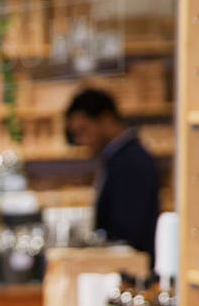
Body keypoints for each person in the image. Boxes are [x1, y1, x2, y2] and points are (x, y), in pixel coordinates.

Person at [65, 88, 160, 256]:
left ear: (106, 119)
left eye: (83, 130)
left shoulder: (131, 160)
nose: (80, 141)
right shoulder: (117, 158)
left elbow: (131, 231)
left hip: (131, 266)